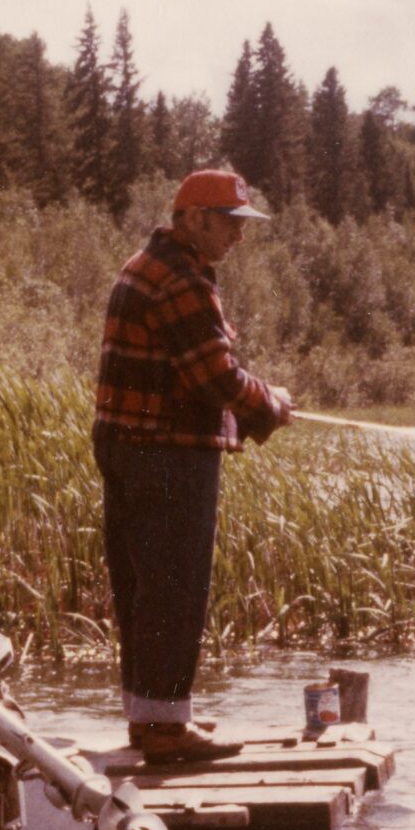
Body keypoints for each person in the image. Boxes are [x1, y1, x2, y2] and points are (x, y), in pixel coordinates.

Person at [92, 169, 296, 764]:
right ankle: (164, 729)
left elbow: (195, 372)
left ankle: (153, 714)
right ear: (194, 218)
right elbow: (215, 378)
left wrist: (258, 403)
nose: (238, 237)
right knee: (174, 586)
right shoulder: (181, 282)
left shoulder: (142, 265)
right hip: (167, 454)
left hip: (128, 447)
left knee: (142, 585)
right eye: (230, 224)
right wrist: (271, 405)